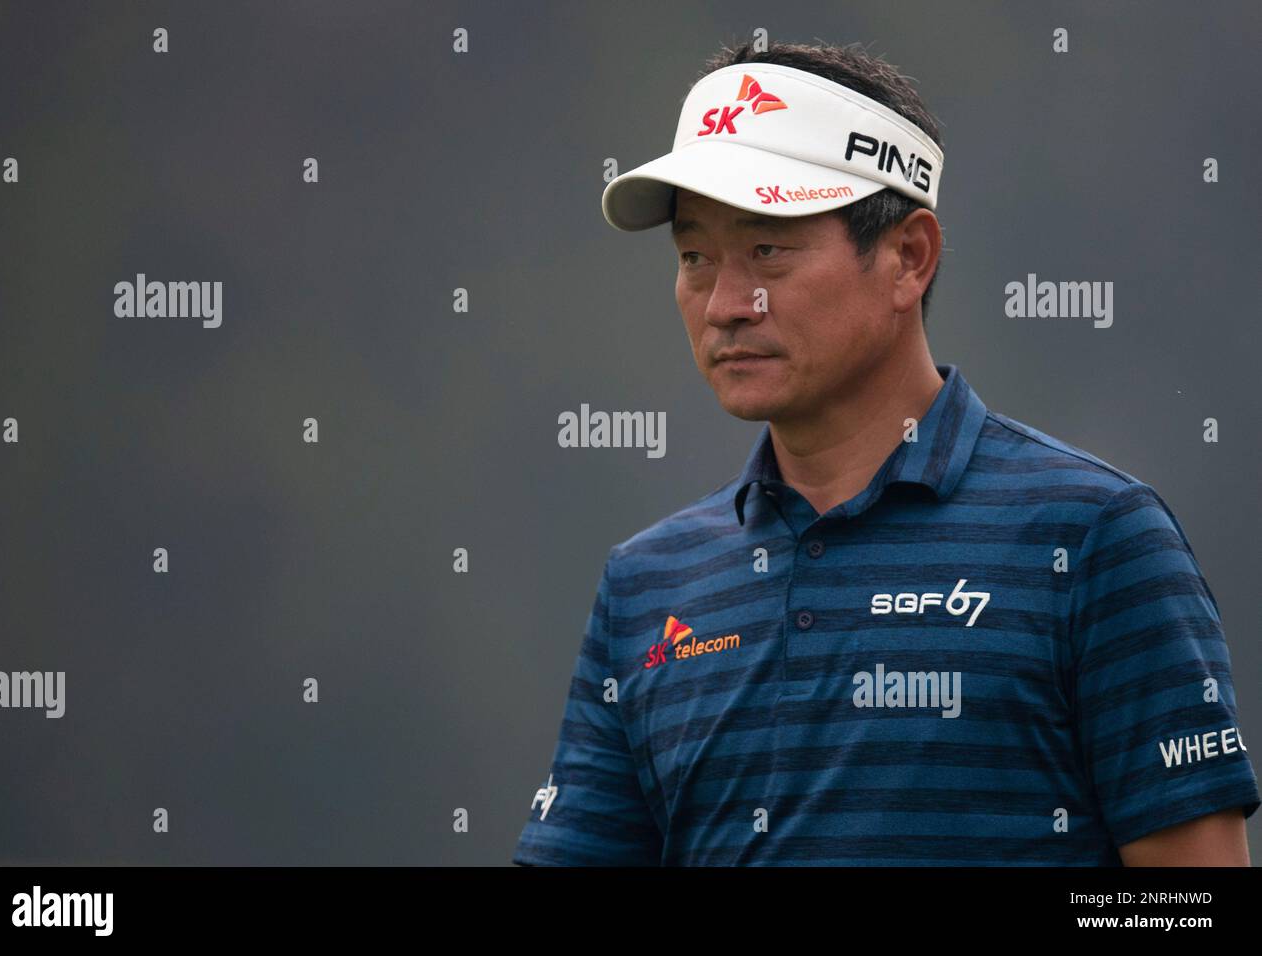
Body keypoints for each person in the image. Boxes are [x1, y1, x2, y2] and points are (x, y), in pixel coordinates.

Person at [513, 41, 1259, 865]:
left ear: (909, 258)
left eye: (768, 250)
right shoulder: (648, 583)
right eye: (695, 257)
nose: (725, 303)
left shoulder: (1093, 539)